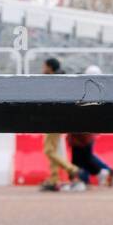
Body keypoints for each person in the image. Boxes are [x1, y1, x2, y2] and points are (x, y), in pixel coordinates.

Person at [38, 57, 84, 192]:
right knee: (52, 149)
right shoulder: (62, 79)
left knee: (49, 150)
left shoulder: (53, 82)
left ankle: (73, 169)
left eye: (44, 67)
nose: (42, 69)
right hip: (57, 118)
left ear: (50, 68)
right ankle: (53, 179)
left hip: (53, 119)